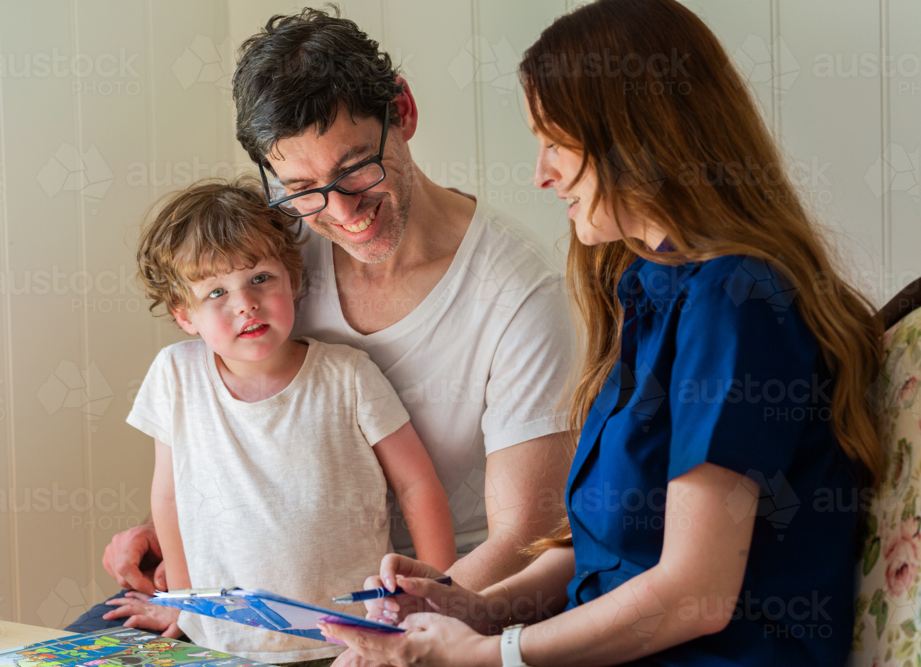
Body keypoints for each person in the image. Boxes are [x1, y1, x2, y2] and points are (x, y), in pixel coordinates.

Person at [319, 0, 884, 665]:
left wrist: (483, 652)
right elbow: (604, 553)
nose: (540, 173)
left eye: (556, 142)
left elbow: (694, 593)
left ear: (642, 139)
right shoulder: (649, 289)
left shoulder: (738, 301)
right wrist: (470, 607)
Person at [90, 6, 577, 652]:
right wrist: (165, 532)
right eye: (302, 188)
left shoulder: (519, 296)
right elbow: (234, 413)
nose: (341, 212)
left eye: (355, 170)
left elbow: (524, 535)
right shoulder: (276, 256)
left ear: (401, 112)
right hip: (265, 601)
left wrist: (405, 620)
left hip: (441, 603)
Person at [126, 178, 456, 665]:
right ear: (184, 315)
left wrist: (440, 596)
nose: (245, 304)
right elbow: (169, 494)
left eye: (260, 278)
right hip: (223, 638)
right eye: (216, 291)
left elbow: (416, 485)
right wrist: (183, 601)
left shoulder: (348, 375)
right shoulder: (175, 375)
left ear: (293, 279)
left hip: (352, 637)